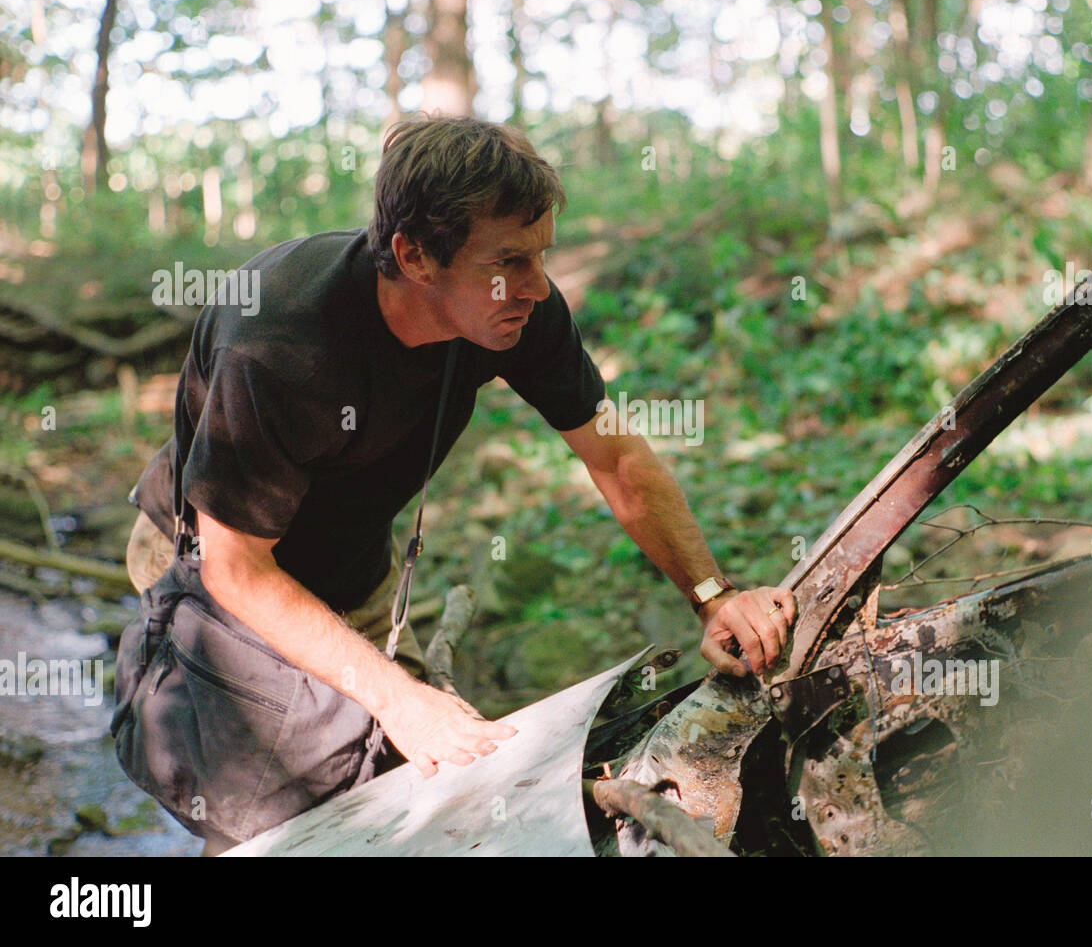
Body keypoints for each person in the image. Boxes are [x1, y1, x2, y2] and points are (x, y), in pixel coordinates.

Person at [125, 114, 795, 845]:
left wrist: (711, 596)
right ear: (414, 256)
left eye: (543, 255)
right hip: (213, 558)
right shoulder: (277, 341)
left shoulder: (515, 305)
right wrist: (398, 698)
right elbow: (237, 569)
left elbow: (615, 456)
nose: (538, 286)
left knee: (412, 794)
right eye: (511, 261)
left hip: (354, 565)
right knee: (268, 814)